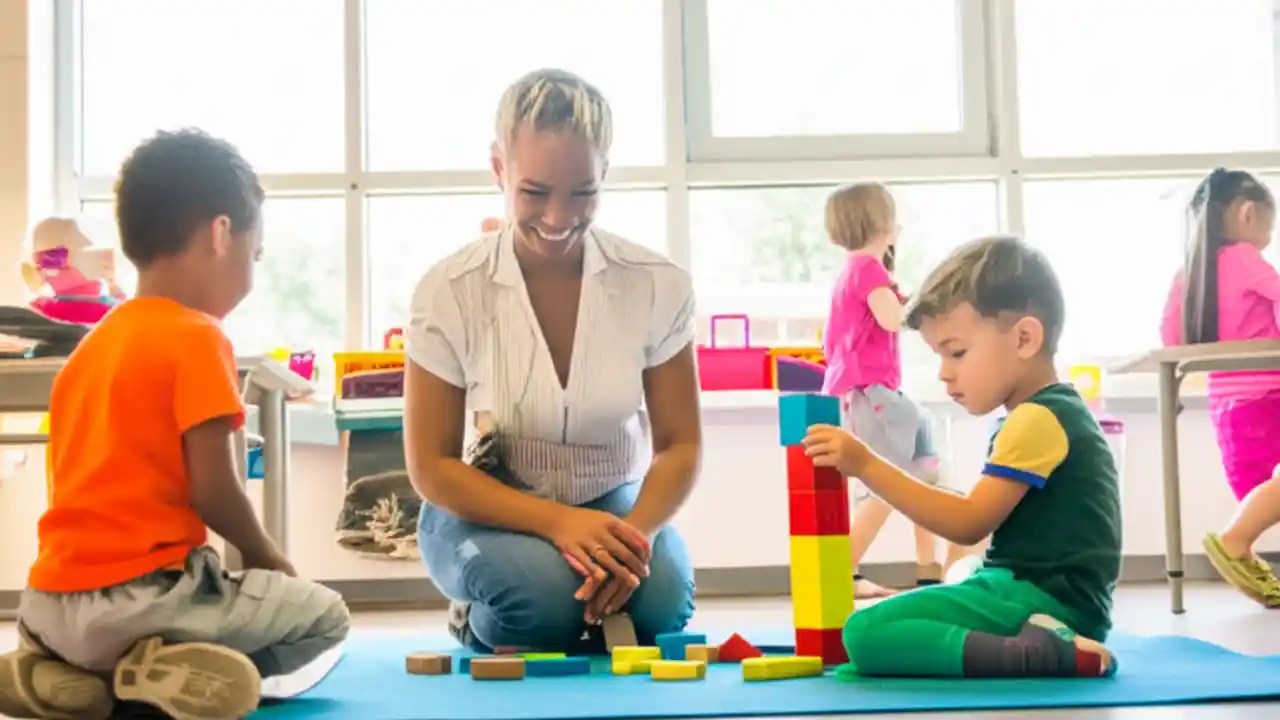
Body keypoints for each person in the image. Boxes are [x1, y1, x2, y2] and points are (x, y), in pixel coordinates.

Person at [0, 129, 350, 720]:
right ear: (220, 235)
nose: (252, 273)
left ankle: (62, 672)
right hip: (144, 603)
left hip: (47, 605)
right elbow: (213, 493)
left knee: (86, 639)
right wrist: (268, 557)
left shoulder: (91, 348)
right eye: (254, 254)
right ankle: (164, 671)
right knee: (325, 616)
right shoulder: (196, 336)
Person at [403, 68, 701, 653]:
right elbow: (432, 467)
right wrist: (562, 524)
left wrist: (633, 539)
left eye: (583, 192)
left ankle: (586, 606)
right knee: (537, 609)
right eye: (534, 192)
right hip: (485, 504)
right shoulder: (448, 289)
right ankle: (478, 615)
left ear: (604, 176)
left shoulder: (657, 285)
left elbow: (681, 445)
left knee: (662, 606)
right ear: (499, 170)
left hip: (612, 495)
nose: (560, 217)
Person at [803, 235, 1121, 678]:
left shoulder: (1036, 419)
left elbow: (968, 522)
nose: (944, 372)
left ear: (1025, 338)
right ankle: (1034, 638)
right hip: (1049, 596)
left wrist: (865, 465)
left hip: (1046, 600)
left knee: (863, 631)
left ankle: (1036, 653)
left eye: (957, 352)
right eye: (939, 355)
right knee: (965, 570)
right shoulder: (1047, 412)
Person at [820, 183, 964, 598]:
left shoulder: (855, 271)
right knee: (887, 483)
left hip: (872, 391)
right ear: (886, 225)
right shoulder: (868, 270)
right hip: (872, 392)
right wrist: (922, 308)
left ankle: (930, 571)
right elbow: (891, 319)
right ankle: (839, 575)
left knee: (925, 468)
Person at [1160, 167, 1280, 608]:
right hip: (1268, 400)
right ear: (1249, 213)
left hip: (1228, 409)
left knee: (1264, 490)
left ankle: (1240, 544)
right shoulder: (1247, 258)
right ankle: (1235, 540)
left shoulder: (1190, 272)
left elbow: (1172, 338)